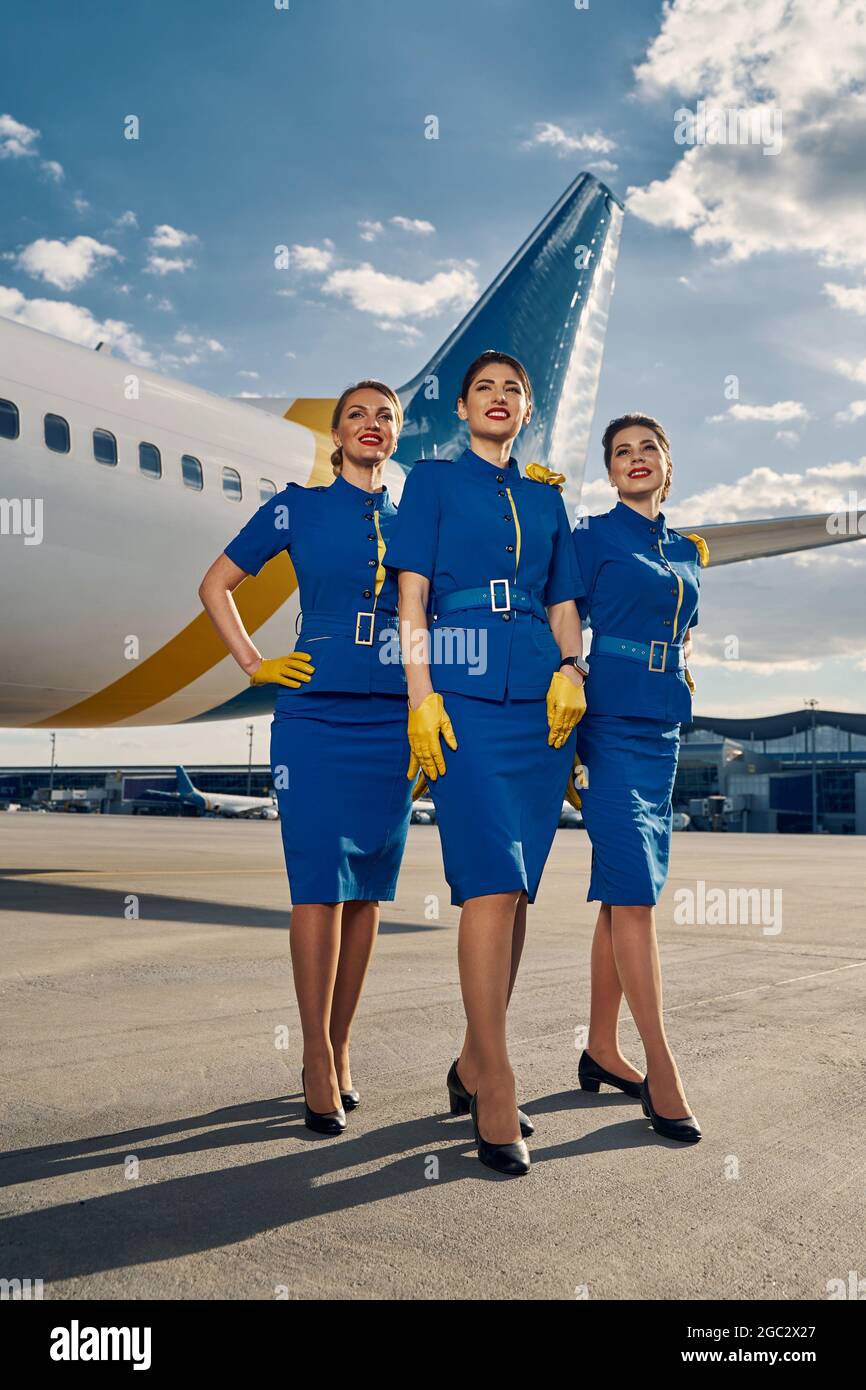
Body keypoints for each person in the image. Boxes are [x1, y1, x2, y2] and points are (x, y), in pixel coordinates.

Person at [387, 350, 587, 1176]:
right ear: (463, 409)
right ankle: (497, 1080)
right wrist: (420, 697)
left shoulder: (546, 498)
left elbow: (566, 599)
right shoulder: (432, 484)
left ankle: (471, 1062)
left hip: (541, 702)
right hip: (461, 696)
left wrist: (576, 673)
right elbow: (410, 596)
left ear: (525, 412)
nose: (499, 400)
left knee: (520, 890)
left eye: (514, 391)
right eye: (485, 391)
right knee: (488, 882)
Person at [198, 381, 412, 1136]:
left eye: (384, 415)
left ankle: (343, 1042)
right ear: (336, 434)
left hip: (392, 720)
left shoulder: (417, 519)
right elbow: (216, 584)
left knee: (368, 893)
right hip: (315, 717)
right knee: (318, 886)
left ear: (397, 435)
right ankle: (315, 1057)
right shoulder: (297, 506)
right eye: (356, 414)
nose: (370, 425)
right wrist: (255, 663)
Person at [569, 412, 709, 1142]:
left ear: (667, 463)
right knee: (637, 895)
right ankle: (661, 1064)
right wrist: (567, 670)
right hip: (610, 723)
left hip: (663, 728)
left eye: (647, 447)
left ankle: (600, 1046)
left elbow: (679, 629)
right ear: (612, 470)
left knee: (624, 891)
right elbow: (558, 609)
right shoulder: (592, 537)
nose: (635, 459)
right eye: (620, 452)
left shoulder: (686, 548)